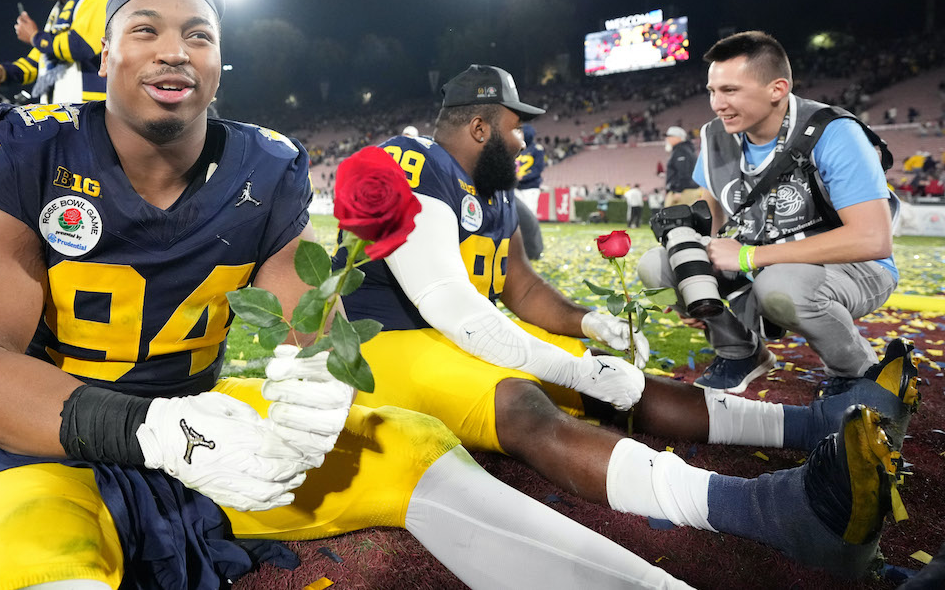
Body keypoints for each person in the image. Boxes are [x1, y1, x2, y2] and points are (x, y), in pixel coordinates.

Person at [0, 0, 692, 590]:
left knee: (406, 437)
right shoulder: (33, 149)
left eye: (199, 34)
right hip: (43, 440)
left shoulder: (265, 166)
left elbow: (309, 321)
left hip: (197, 422)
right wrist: (152, 431)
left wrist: (316, 381)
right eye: (146, 29)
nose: (174, 49)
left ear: (220, 62)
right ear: (106, 51)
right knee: (26, 551)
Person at [336, 63, 915, 579]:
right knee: (523, 403)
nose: (524, 142)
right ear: (480, 128)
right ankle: (771, 510)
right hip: (386, 343)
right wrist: (572, 370)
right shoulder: (402, 163)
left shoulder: (494, 192)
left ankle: (812, 424)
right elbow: (452, 307)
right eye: (516, 128)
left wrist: (589, 327)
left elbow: (523, 287)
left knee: (611, 376)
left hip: (455, 336)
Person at [639, 31, 899, 391]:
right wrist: (691, 267)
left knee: (780, 286)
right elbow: (713, 223)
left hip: (850, 267)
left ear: (777, 89)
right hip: (759, 260)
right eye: (712, 91)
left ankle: (857, 371)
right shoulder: (714, 136)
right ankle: (740, 351)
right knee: (658, 263)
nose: (716, 103)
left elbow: (873, 239)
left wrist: (750, 256)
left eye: (730, 90)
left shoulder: (835, 132)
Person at [662, 126, 701, 207]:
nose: (667, 139)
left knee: (674, 216)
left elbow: (683, 172)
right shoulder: (685, 149)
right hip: (687, 189)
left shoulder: (681, 151)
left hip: (684, 192)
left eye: (670, 136)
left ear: (678, 137)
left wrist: (678, 190)